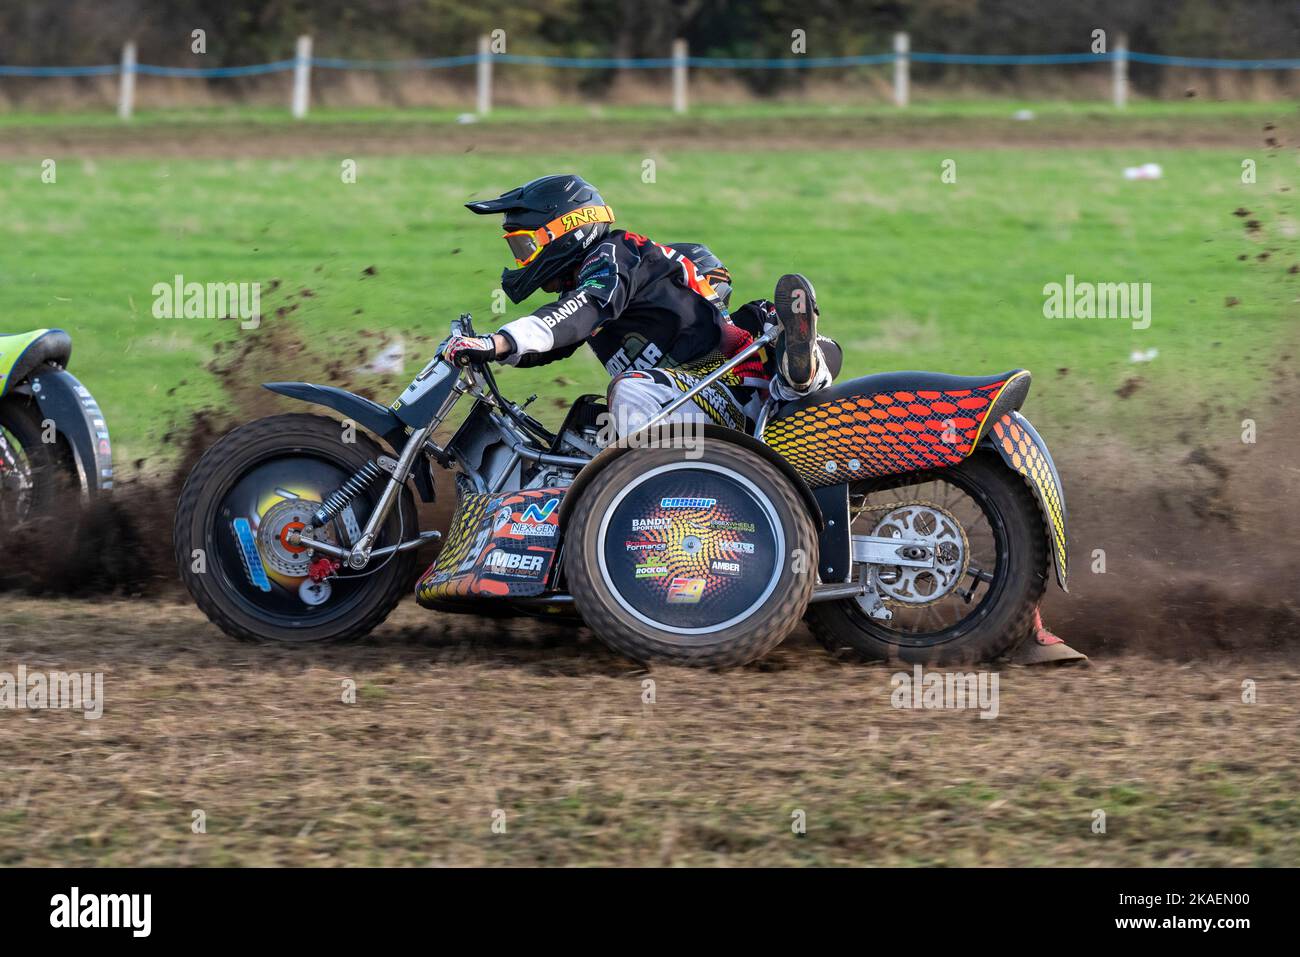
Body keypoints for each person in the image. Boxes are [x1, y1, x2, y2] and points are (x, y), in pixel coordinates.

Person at [447, 173, 1084, 664]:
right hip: (722, 409)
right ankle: (781, 385)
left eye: (527, 238)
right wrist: (499, 350)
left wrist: (498, 343)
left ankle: (794, 369)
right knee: (598, 418)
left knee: (637, 391)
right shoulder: (622, 287)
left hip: (712, 399)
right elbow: (560, 335)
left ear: (569, 228)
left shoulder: (614, 257)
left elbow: (577, 315)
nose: (521, 253)